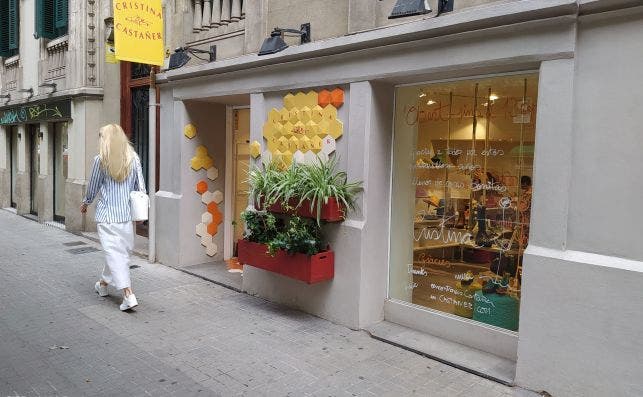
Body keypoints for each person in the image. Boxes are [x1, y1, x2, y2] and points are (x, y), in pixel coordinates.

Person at [80, 124, 146, 311]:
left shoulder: (100, 160)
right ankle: (102, 285)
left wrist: (86, 202)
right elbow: (141, 188)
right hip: (125, 216)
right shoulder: (134, 159)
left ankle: (128, 294)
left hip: (107, 217)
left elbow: (93, 187)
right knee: (119, 254)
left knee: (116, 254)